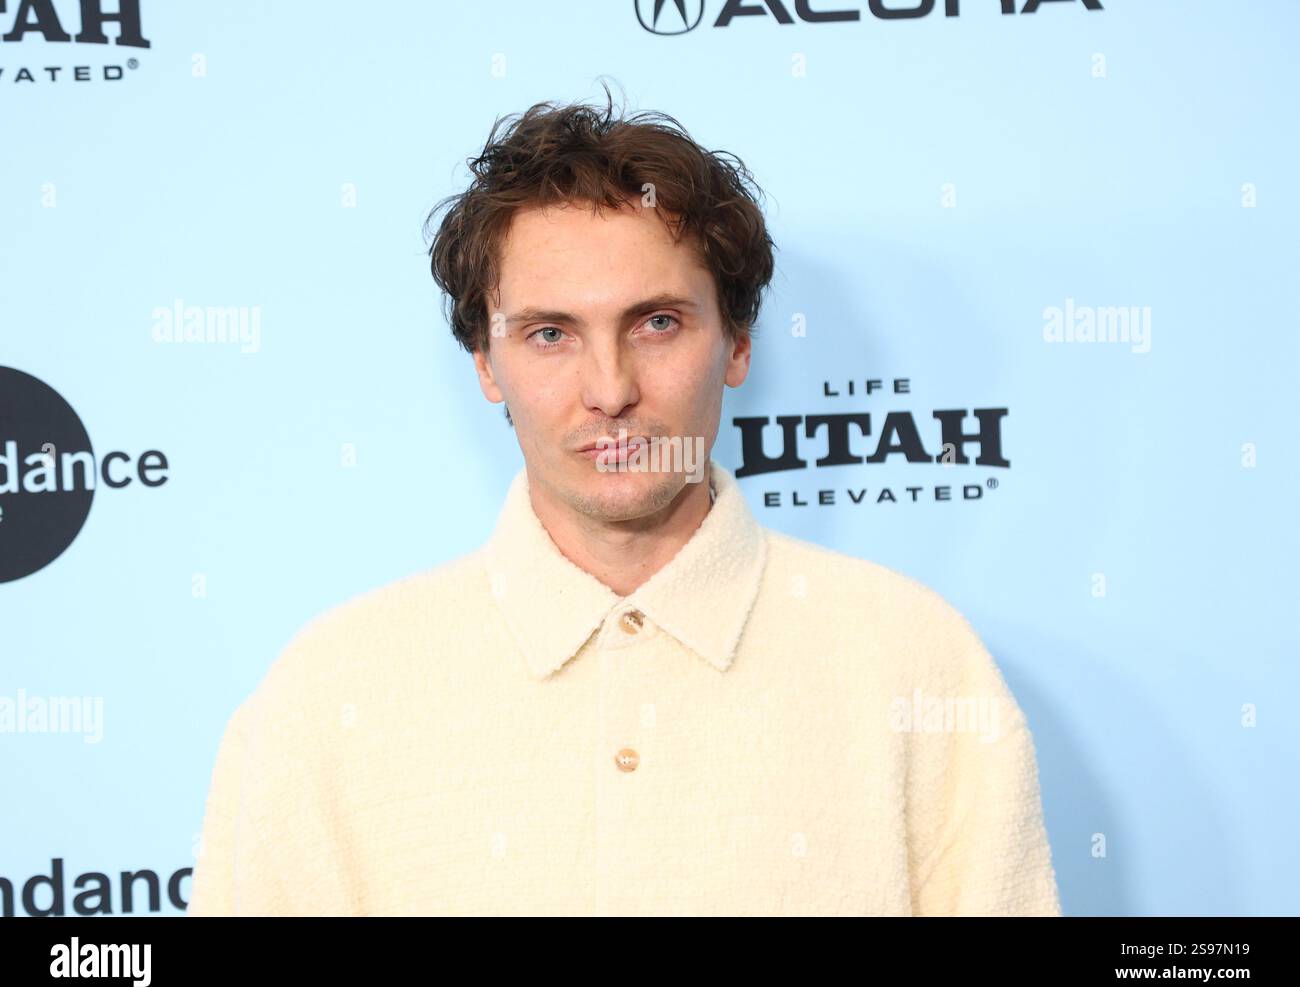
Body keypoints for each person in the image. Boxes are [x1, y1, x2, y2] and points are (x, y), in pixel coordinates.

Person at [187, 84, 1062, 917]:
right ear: (488, 367)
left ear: (737, 345)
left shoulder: (916, 663)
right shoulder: (328, 695)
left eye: (657, 323)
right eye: (550, 334)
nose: (609, 390)